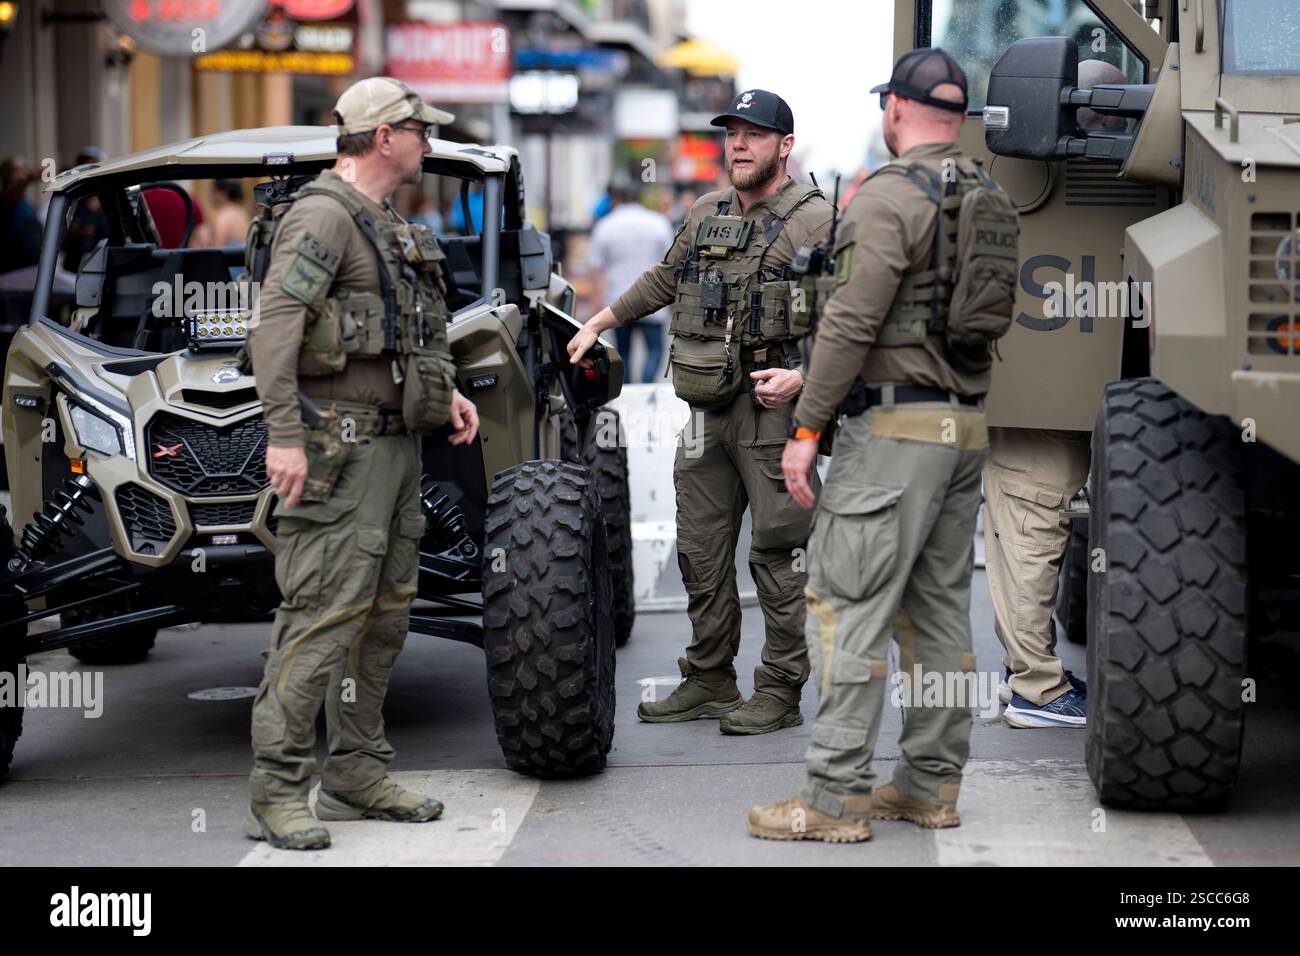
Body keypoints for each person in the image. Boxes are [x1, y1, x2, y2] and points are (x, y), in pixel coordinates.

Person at [748, 49, 1014, 842]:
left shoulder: (889, 196)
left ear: (896, 108)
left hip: (893, 432)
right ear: (959, 115)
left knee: (847, 609)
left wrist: (804, 431)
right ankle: (930, 786)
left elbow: (851, 323)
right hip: (962, 426)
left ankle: (832, 800)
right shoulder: (992, 197)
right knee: (937, 615)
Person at [245, 76, 479, 850]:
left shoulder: (380, 220)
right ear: (385, 136)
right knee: (319, 616)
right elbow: (275, 331)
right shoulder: (323, 216)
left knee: (381, 619)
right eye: (421, 130)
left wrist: (442, 398)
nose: (430, 143)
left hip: (395, 448)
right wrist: (284, 435)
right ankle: (279, 787)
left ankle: (354, 770)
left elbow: (395, 330)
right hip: (338, 454)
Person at [569, 90, 834, 736]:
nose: (738, 144)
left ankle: (779, 686)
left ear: (784, 146)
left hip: (774, 412)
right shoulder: (707, 212)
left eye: (754, 134)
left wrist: (804, 378)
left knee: (779, 553)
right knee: (701, 548)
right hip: (707, 409)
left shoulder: (814, 220)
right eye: (732, 133)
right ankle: (711, 675)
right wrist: (599, 321)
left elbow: (851, 315)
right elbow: (663, 280)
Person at [989, 58, 1127, 729]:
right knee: (1031, 523)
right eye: (1100, 113)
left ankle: (1029, 674)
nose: (1111, 128)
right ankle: (1035, 690)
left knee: (1028, 525)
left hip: (1056, 394)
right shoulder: (1058, 178)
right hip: (1041, 402)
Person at [586, 183, 675, 383]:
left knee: (623, 353)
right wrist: (672, 300)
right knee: (654, 350)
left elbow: (594, 267)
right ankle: (646, 385)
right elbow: (672, 262)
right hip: (655, 300)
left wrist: (597, 297)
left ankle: (626, 391)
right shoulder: (658, 222)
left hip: (618, 301)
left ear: (616, 199)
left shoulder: (605, 225)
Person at [0, 156, 42, 275]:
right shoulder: (5, 201)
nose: (22, 173)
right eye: (16, 170)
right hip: (12, 274)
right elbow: (13, 191)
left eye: (24, 169)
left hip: (31, 271)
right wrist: (29, 178)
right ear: (5, 175)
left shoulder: (27, 205)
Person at [209, 179, 253, 247]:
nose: (212, 196)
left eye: (214, 191)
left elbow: (218, 248)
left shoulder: (224, 216)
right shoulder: (242, 212)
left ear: (222, 193)